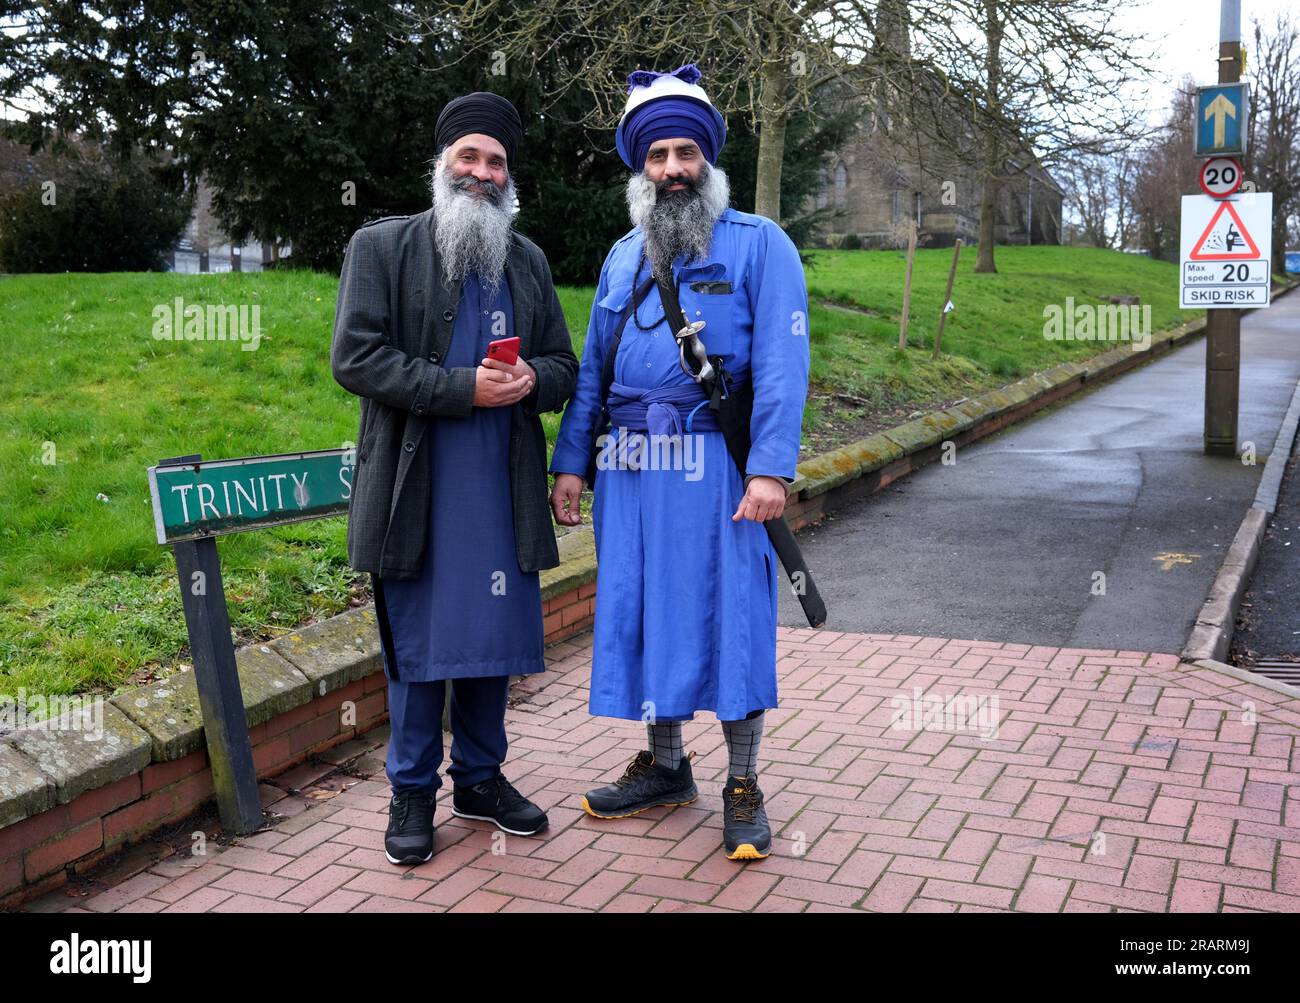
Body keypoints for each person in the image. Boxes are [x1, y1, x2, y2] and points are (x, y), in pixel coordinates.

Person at [548, 64, 810, 860]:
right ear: (640, 164)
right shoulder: (622, 257)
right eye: (656, 154)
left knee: (731, 616)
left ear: (707, 161)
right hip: (630, 466)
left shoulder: (762, 244)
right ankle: (666, 766)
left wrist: (770, 467)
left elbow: (782, 361)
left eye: (684, 154)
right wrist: (572, 464)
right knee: (647, 611)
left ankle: (743, 782)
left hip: (717, 471)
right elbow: (593, 367)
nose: (671, 169)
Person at [331, 91, 578, 865]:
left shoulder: (528, 261)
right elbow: (356, 357)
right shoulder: (380, 248)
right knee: (420, 646)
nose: (481, 172)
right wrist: (460, 386)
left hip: (500, 490)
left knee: (489, 641)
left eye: (495, 161)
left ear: (509, 176)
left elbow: (567, 367)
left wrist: (529, 380)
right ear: (442, 165)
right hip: (418, 492)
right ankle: (411, 791)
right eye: (467, 157)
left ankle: (479, 777)